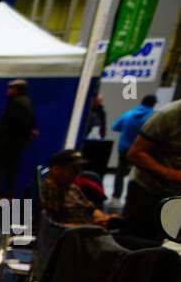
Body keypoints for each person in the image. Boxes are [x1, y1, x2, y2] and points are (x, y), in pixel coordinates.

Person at [123, 98, 181, 243]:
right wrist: (171, 174)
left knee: (170, 246)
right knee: (138, 244)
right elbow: (135, 153)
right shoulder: (169, 115)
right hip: (147, 190)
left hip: (176, 196)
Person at [39, 149, 113, 227]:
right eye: (74, 171)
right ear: (56, 170)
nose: (78, 175)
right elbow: (52, 226)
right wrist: (89, 226)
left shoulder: (73, 187)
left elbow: (91, 209)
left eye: (79, 171)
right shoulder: (49, 188)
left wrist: (104, 218)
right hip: (72, 234)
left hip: (90, 229)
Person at [0, 78, 37, 197]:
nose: (8, 91)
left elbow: (20, 124)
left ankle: (3, 195)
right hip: (15, 144)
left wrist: (6, 139)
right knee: (10, 170)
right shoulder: (26, 102)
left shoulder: (18, 103)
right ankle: (7, 194)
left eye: (11, 88)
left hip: (10, 144)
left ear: (18, 90)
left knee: (6, 170)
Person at [110, 94, 156, 201]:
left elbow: (115, 126)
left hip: (124, 149)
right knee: (139, 176)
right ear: (154, 104)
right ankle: (132, 198)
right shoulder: (153, 117)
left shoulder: (129, 114)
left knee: (120, 173)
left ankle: (116, 197)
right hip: (142, 152)